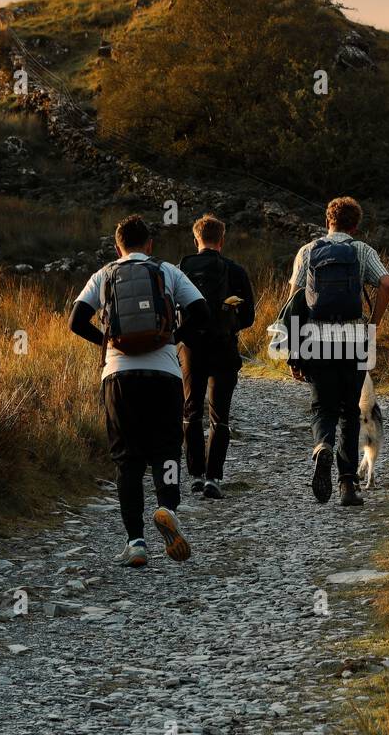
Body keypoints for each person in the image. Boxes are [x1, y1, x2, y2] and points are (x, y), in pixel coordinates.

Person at [69, 214, 208, 566]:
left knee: (127, 460)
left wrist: (107, 341)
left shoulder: (104, 274)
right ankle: (167, 508)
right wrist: (173, 338)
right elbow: (201, 311)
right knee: (166, 450)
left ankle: (136, 543)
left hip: (119, 376)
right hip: (164, 374)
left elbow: (75, 320)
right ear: (149, 245)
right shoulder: (168, 272)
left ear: (118, 246)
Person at [287, 196, 389, 507]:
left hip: (315, 337)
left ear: (327, 221)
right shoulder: (362, 250)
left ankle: (322, 445)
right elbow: (387, 284)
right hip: (353, 336)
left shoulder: (307, 251)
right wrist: (373, 323)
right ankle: (348, 484)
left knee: (323, 407)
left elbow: (293, 303)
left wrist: (294, 352)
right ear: (355, 224)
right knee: (350, 410)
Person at [178, 214, 255, 499]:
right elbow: (249, 317)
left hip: (190, 349)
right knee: (219, 414)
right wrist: (228, 325)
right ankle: (213, 478)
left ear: (195, 239)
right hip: (223, 348)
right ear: (222, 240)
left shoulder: (181, 268)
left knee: (191, 409)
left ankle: (195, 475)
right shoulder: (235, 271)